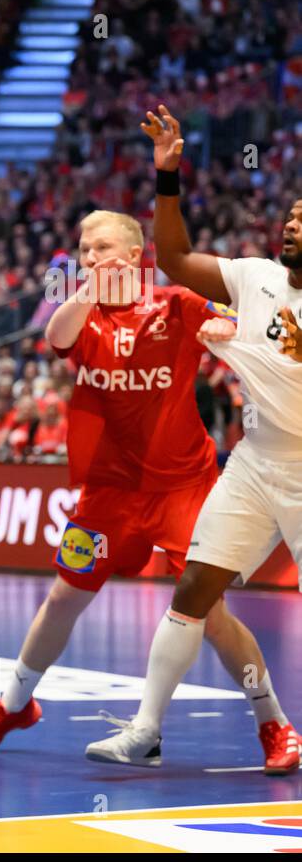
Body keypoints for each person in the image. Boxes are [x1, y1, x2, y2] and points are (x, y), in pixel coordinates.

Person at [0, 208, 294, 773]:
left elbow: (240, 321)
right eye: (84, 248)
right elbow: (56, 336)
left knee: (208, 613)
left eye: (102, 247)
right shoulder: (82, 315)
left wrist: (223, 328)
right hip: (109, 492)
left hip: (183, 487)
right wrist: (88, 286)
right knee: (63, 597)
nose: (90, 256)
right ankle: (13, 705)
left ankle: (274, 722)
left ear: (136, 255)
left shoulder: (175, 304)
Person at [85, 106, 302, 769]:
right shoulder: (255, 276)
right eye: (289, 216)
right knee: (193, 591)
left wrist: (239, 348)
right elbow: (175, 258)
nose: (290, 225)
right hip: (256, 461)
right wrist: (169, 174)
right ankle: (146, 730)